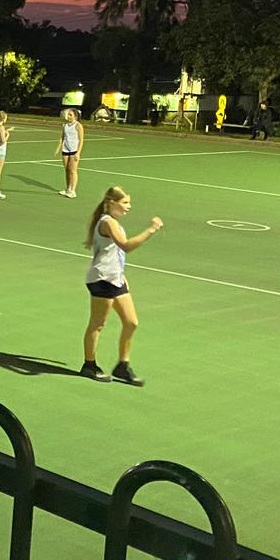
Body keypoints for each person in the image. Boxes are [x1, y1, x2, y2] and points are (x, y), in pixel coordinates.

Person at [81, 186, 162, 385]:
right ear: (112, 203)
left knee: (131, 322)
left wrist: (121, 273)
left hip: (115, 278)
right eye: (125, 202)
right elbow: (125, 245)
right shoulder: (108, 222)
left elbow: (116, 253)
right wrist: (151, 230)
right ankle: (89, 366)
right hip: (102, 280)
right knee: (97, 324)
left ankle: (122, 366)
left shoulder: (114, 222)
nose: (128, 207)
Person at [57, 108, 84, 198]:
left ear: (75, 117)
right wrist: (58, 148)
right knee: (67, 170)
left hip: (74, 150)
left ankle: (73, 190)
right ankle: (68, 189)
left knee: (73, 170)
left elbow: (81, 140)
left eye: (70, 115)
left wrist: (78, 153)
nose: (68, 116)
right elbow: (62, 137)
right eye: (68, 114)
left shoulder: (78, 125)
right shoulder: (65, 125)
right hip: (65, 150)